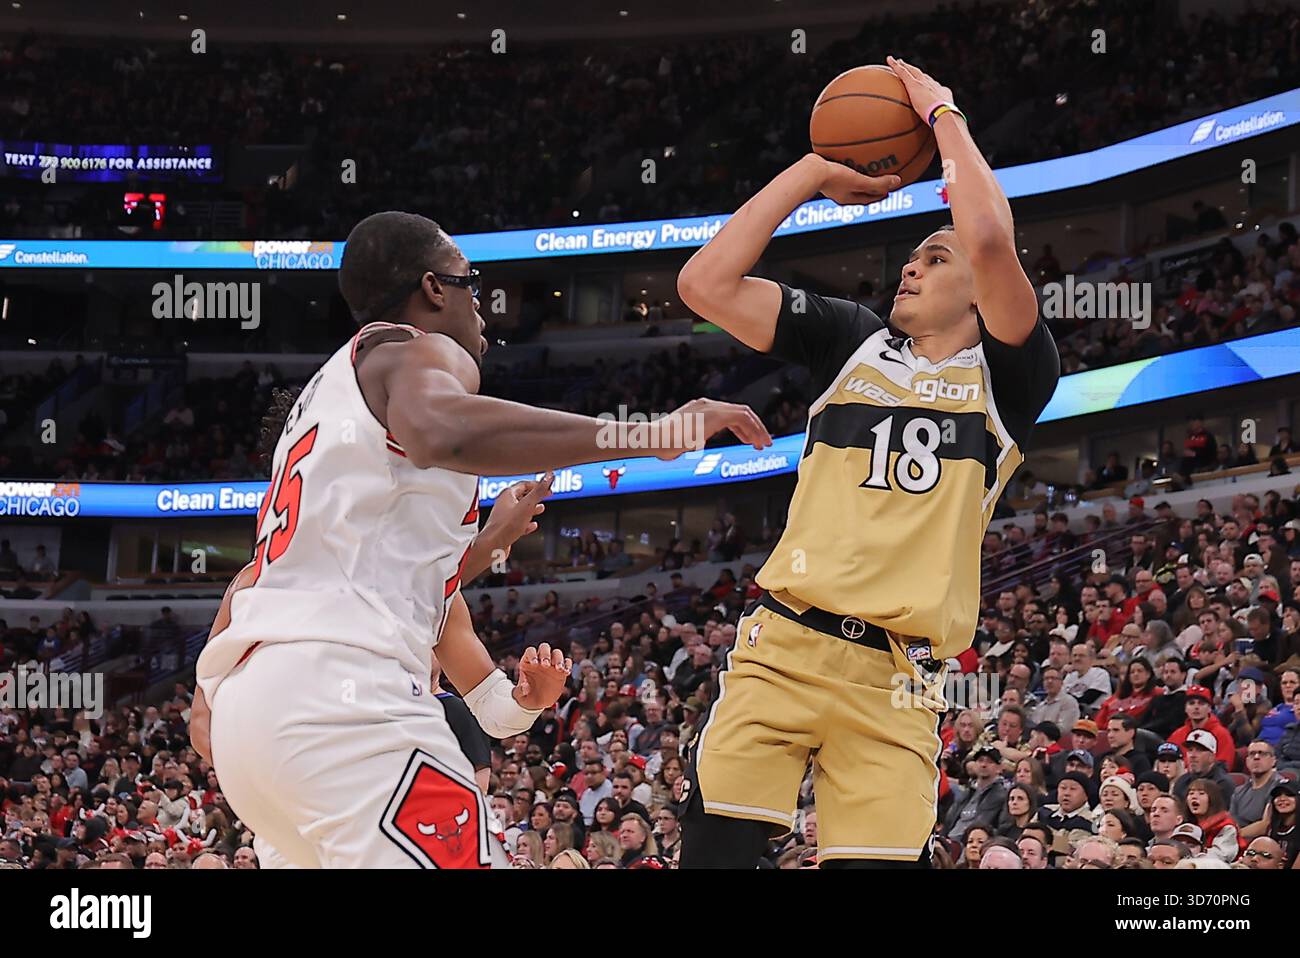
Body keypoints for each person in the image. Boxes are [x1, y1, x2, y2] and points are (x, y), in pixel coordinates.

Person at [196, 213, 769, 869]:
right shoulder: (410, 346)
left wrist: (492, 539)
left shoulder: (328, 403)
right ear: (435, 288)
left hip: (258, 736)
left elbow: (390, 572)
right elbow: (444, 431)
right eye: (473, 282)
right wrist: (649, 434)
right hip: (343, 709)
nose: (482, 303)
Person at [675, 57, 1059, 869]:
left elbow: (988, 234)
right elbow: (705, 283)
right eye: (910, 258)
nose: (910, 267)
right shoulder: (852, 338)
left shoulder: (1013, 373)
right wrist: (812, 172)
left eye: (934, 257)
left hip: (900, 677)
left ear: (980, 290)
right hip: (781, 648)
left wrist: (941, 112)